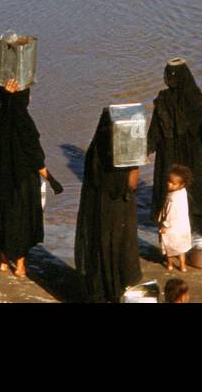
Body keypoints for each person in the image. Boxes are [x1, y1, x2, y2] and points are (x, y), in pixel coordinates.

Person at [0, 80, 62, 278]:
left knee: (3, 218)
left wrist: (5, 95)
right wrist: (52, 180)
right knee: (21, 222)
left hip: (2, 179)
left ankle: (3, 261)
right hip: (22, 183)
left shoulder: (2, 121)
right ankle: (20, 265)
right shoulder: (25, 123)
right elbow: (35, 157)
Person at [75, 108, 142, 302]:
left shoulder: (94, 153)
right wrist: (136, 164)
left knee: (99, 249)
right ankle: (116, 288)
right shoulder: (124, 157)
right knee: (118, 248)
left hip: (97, 210)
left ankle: (99, 289)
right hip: (119, 209)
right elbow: (131, 185)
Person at [148, 58, 202, 232]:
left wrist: (147, 149)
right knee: (193, 183)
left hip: (168, 149)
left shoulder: (163, 99)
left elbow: (155, 129)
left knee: (170, 182)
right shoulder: (197, 98)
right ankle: (193, 224)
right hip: (192, 149)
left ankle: (168, 222)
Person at [159, 165, 194, 271]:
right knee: (181, 249)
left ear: (182, 184)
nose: (169, 184)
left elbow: (171, 214)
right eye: (169, 181)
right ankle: (182, 266)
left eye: (173, 183)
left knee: (169, 247)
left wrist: (165, 226)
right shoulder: (182, 192)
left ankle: (170, 265)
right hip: (183, 226)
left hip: (173, 227)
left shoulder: (173, 199)